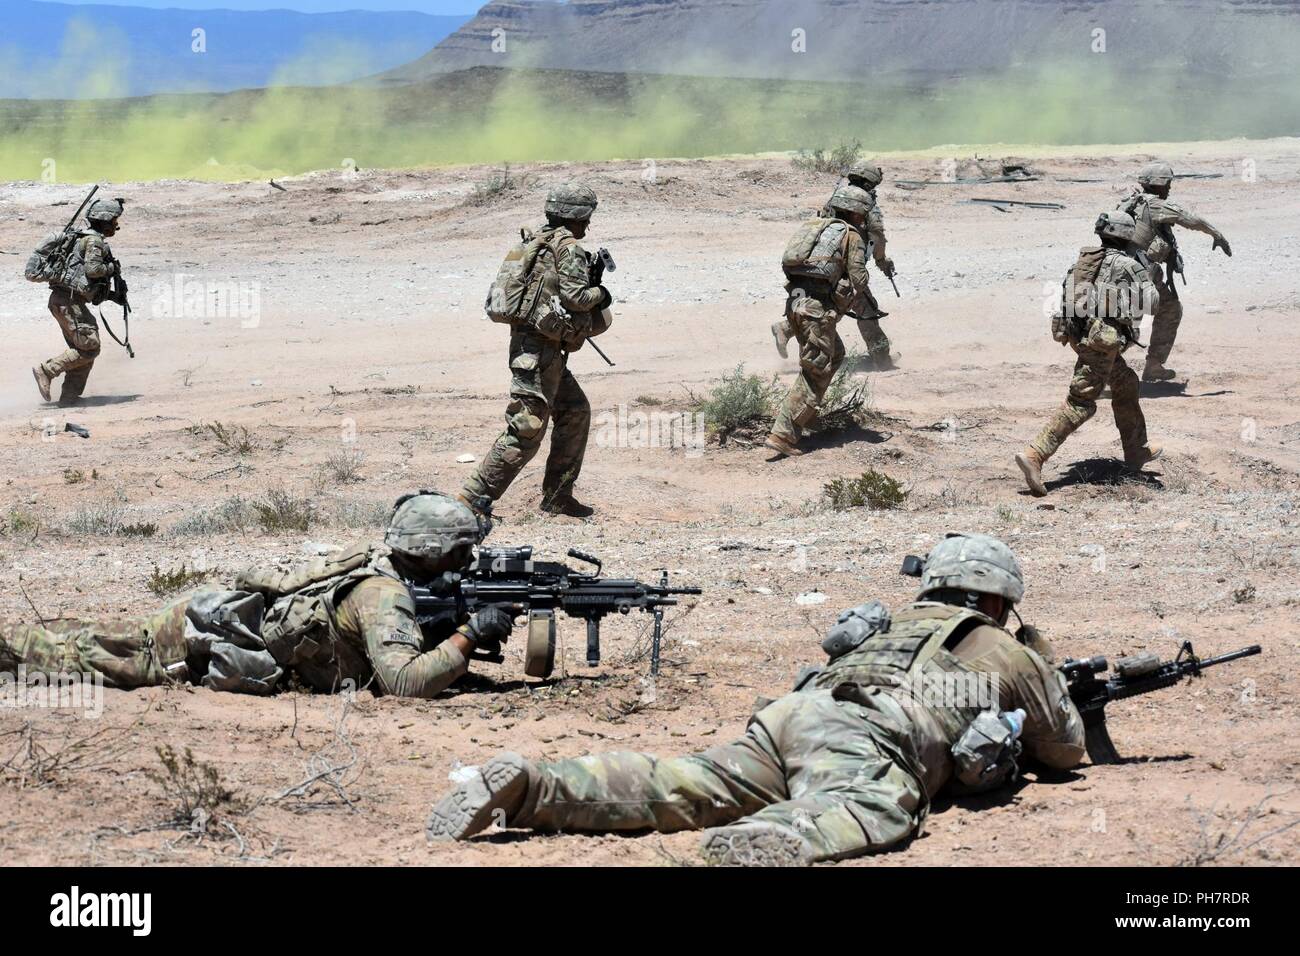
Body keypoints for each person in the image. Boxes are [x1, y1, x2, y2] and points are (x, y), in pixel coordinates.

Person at [426, 533, 1085, 866]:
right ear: (998, 599)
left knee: (683, 780)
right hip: (871, 736)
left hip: (791, 715)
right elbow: (1063, 749)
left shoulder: (891, 625)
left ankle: (533, 787)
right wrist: (1041, 667)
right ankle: (773, 834)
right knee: (871, 807)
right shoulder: (1002, 648)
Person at [0, 492, 511, 698]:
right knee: (80, 656)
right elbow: (404, 683)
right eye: (459, 550)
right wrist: (470, 635)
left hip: (217, 625)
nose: (466, 561)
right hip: (200, 646)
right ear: (429, 549)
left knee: (89, 641)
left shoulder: (383, 569)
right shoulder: (384, 595)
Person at [460, 182, 613, 518]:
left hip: (538, 349)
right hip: (538, 354)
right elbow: (576, 298)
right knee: (526, 429)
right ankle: (471, 501)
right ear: (578, 215)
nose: (588, 223)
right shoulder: (567, 247)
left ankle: (558, 496)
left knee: (574, 412)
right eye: (587, 215)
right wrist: (602, 294)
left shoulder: (532, 242)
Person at [1016, 211, 1163, 496]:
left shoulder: (1082, 263)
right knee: (1081, 402)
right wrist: (1149, 273)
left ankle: (1136, 451)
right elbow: (1153, 304)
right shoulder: (1128, 265)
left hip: (1083, 337)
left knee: (1126, 383)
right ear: (1128, 236)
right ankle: (1034, 455)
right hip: (1102, 343)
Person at [763, 183, 875, 458]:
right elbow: (859, 278)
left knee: (835, 355)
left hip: (795, 304)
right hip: (816, 313)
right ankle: (783, 434)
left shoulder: (817, 230)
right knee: (816, 372)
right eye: (863, 215)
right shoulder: (851, 236)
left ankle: (806, 414)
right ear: (856, 214)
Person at [772, 162, 898, 369]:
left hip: (824, 260)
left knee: (828, 304)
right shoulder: (867, 203)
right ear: (869, 183)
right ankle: (882, 359)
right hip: (847, 260)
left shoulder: (836, 197)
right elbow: (877, 235)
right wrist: (882, 261)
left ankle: (786, 328)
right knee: (865, 308)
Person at [1116, 161, 1232, 382]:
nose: (1169, 188)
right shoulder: (1155, 205)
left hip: (1135, 273)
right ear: (1158, 185)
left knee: (1169, 309)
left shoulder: (1130, 203)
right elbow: (1190, 219)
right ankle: (1096, 375)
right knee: (1129, 333)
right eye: (1167, 183)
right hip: (1137, 277)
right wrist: (1216, 234)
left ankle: (1154, 366)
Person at [32, 197, 127, 406]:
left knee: (83, 352)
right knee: (90, 347)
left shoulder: (82, 238)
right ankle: (47, 370)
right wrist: (111, 268)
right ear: (104, 220)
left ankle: (69, 398)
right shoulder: (94, 241)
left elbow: (85, 284)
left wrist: (113, 296)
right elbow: (93, 271)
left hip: (65, 301)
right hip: (69, 303)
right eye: (114, 220)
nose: (116, 225)